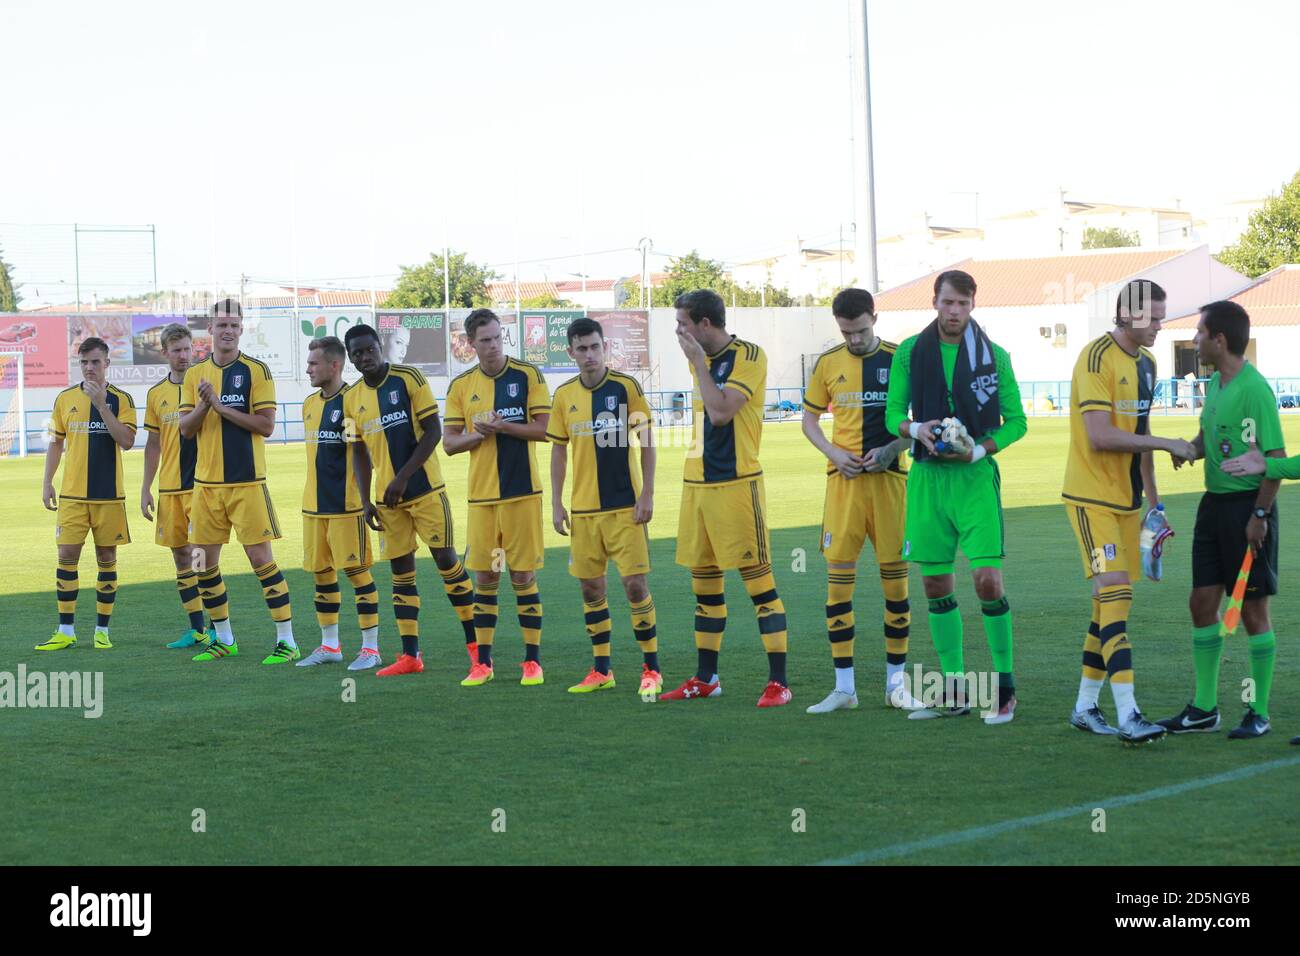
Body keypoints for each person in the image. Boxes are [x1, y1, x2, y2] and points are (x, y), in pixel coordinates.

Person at [883, 270, 1027, 723]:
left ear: (972, 305)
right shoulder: (910, 351)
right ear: (935, 301)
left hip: (974, 480)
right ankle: (955, 691)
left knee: (987, 581)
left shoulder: (995, 356)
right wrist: (915, 429)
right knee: (935, 584)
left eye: (963, 304)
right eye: (948, 303)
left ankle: (1004, 689)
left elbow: (1018, 421)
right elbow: (892, 414)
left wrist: (979, 449)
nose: (955, 312)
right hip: (927, 482)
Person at [1061, 280, 1195, 743]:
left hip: (1126, 502)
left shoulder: (1148, 363)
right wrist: (1166, 442)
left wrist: (1154, 504)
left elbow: (1141, 431)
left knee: (1107, 606)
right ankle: (1129, 714)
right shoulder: (1095, 357)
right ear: (1127, 314)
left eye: (1162, 316)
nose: (1160, 325)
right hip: (1090, 498)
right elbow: (1100, 435)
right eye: (1153, 317)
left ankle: (1083, 708)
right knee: (1117, 596)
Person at [1158, 300, 1286, 739]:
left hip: (1247, 508)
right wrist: (1189, 450)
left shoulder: (1256, 389)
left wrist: (1259, 515)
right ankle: (1204, 708)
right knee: (1201, 604)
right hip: (1212, 506)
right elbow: (1208, 437)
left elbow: (1276, 459)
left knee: (1252, 612)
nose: (1194, 340)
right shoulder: (1214, 385)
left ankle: (1259, 711)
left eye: (1199, 333)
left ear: (1220, 340)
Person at [661, 290, 793, 707]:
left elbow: (721, 413)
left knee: (760, 588)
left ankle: (779, 683)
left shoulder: (749, 356)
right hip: (697, 485)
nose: (678, 331)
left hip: (737, 485)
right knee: (705, 589)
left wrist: (699, 363)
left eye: (683, 323)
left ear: (704, 324)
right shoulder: (699, 358)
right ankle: (706, 678)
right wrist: (699, 363)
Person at [800, 288, 920, 713]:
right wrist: (834, 453)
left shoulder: (900, 358)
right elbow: (809, 421)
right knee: (838, 592)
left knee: (896, 591)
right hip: (844, 487)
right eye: (847, 332)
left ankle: (895, 686)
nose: (854, 339)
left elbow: (918, 423)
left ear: (875, 316)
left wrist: (891, 449)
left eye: (861, 330)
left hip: (890, 486)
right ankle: (844, 689)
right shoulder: (829, 362)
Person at [343, 324, 477, 676]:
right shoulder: (351, 398)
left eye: (369, 350)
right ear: (350, 357)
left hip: (425, 491)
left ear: (379, 347)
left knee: (447, 564)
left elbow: (433, 431)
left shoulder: (409, 378)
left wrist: (402, 477)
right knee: (401, 574)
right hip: (386, 502)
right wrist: (365, 498)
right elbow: (356, 449)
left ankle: (478, 650)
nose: (364, 358)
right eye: (356, 353)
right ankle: (410, 656)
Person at [548, 317, 661, 699]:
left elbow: (647, 441)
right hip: (583, 511)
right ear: (571, 353)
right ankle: (601, 669)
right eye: (581, 349)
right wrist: (557, 502)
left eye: (595, 347)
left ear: (605, 347)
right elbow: (558, 450)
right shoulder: (564, 396)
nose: (589, 355)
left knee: (634, 586)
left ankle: (651, 668)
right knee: (591, 588)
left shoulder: (626, 387)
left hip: (625, 507)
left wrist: (646, 495)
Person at [179, 298, 297, 664]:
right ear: (210, 330)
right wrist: (203, 405)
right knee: (200, 563)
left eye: (233, 324)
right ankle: (225, 638)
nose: (227, 330)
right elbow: (185, 430)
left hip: (247, 483)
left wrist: (220, 407)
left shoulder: (256, 371)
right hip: (206, 486)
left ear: (241, 329)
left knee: (262, 560)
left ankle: (287, 641)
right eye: (221, 324)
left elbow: (265, 425)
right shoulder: (194, 376)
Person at [443, 309, 552, 687]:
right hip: (483, 499)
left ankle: (532, 662)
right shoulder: (461, 386)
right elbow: (449, 443)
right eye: (484, 340)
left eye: (497, 338)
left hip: (522, 494)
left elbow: (545, 430)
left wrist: (502, 426)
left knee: (522, 574)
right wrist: (480, 434)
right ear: (470, 344)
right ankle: (483, 664)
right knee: (487, 576)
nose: (492, 346)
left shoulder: (527, 376)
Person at [36, 337, 136, 651]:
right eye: (84, 362)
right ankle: (65, 630)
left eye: (95, 361)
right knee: (66, 556)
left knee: (107, 559)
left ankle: (102, 631)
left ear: (107, 363)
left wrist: (102, 405)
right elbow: (55, 443)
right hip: (72, 497)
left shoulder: (122, 399)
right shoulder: (64, 398)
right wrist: (47, 481)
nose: (89, 368)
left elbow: (127, 441)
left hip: (109, 496)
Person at [294, 337, 383, 671]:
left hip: (347, 506)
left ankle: (371, 649)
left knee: (358, 574)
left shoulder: (353, 401)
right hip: (314, 507)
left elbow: (365, 454)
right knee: (321, 575)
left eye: (314, 363)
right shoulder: (309, 404)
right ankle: (330, 645)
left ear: (334, 365)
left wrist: (364, 499)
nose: (308, 369)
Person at [141, 323, 207, 649]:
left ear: (193, 349)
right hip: (169, 488)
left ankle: (219, 627)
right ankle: (197, 629)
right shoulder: (156, 394)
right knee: (181, 558)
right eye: (176, 350)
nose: (183, 356)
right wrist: (144, 488)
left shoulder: (204, 385)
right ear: (165, 353)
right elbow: (153, 444)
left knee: (202, 557)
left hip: (201, 485)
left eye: (186, 349)